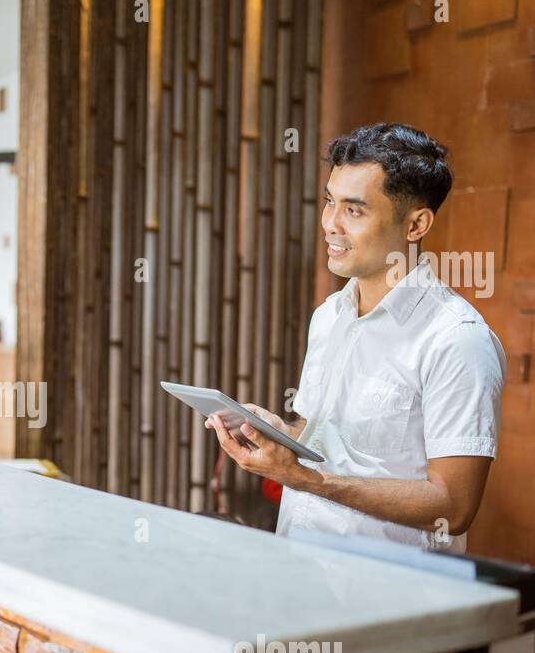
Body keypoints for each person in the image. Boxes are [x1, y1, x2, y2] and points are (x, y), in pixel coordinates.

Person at [208, 122, 505, 553]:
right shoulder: (330, 316)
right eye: (330, 202)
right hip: (300, 563)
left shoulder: (457, 340)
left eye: (354, 210)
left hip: (388, 596)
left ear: (416, 224)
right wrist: (279, 433)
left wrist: (305, 479)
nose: (331, 224)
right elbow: (321, 437)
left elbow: (453, 508)